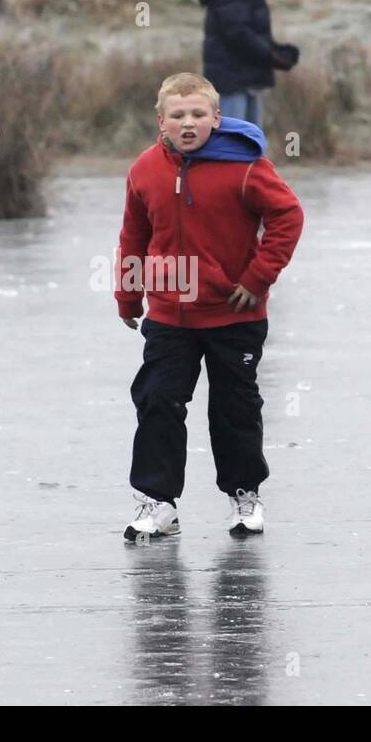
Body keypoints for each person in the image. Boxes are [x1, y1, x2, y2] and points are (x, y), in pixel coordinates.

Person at [115, 73, 304, 539]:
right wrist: (127, 293)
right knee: (158, 401)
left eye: (198, 114)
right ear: (161, 121)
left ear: (216, 119)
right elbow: (133, 236)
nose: (188, 123)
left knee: (233, 407)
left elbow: (287, 216)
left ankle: (245, 496)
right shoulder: (144, 169)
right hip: (168, 315)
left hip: (234, 315)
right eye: (177, 115)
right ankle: (158, 502)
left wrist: (258, 277)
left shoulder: (246, 166)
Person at [196, 0, 299, 129]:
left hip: (244, 77)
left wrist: (274, 51)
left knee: (251, 148)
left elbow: (245, 31)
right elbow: (237, 33)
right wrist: (270, 55)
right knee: (235, 147)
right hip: (232, 81)